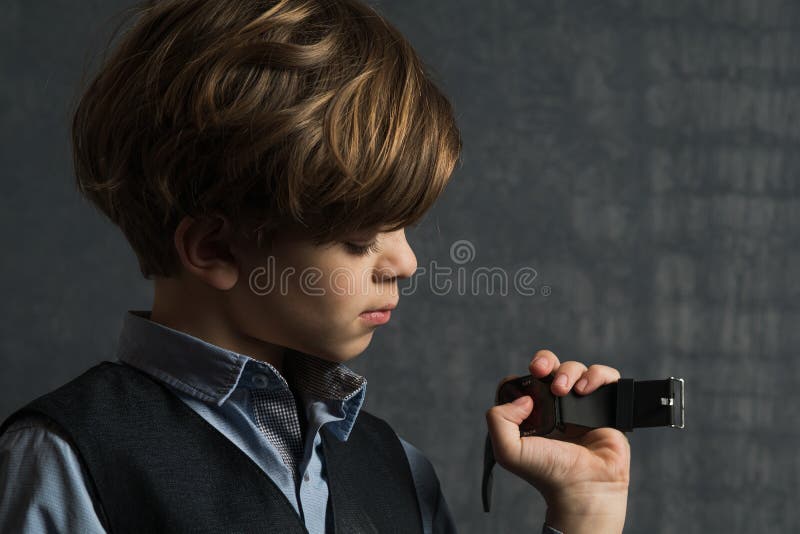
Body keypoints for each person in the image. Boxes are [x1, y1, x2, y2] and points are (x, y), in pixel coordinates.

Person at [0, 0, 630, 532]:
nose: (407, 262)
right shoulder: (67, 459)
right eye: (359, 240)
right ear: (215, 248)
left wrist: (586, 510)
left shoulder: (398, 471)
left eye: (402, 228)